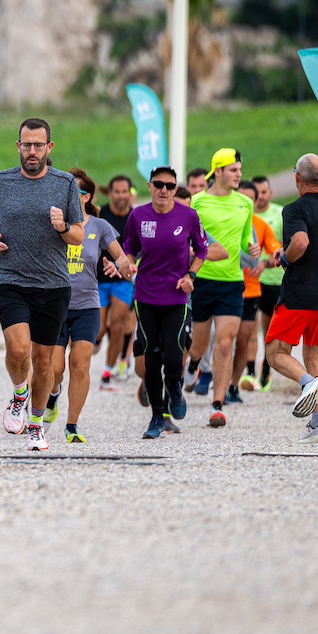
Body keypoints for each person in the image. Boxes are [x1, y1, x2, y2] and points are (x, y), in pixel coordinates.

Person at [0, 117, 85, 453]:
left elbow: (78, 234)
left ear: (49, 147)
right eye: (27, 144)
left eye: (39, 145)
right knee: (19, 350)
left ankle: (36, 425)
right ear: (18, 146)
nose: (32, 151)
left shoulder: (65, 183)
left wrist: (63, 226)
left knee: (45, 360)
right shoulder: (0, 181)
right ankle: (18, 393)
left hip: (53, 284)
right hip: (10, 279)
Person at [115, 165, 216, 439]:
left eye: (170, 186)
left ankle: (174, 385)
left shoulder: (189, 216)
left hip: (175, 296)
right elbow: (130, 249)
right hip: (145, 296)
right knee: (151, 356)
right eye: (158, 184)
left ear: (174, 190)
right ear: (149, 186)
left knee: (173, 356)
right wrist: (128, 265)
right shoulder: (138, 216)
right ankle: (157, 418)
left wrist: (190, 275)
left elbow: (203, 248)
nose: (164, 190)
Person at [262, 154, 318, 443]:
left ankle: (308, 383)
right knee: (314, 356)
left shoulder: (294, 208)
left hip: (299, 295)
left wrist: (284, 257)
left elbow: (301, 242)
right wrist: (285, 252)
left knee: (275, 352)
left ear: (297, 178)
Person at [54, 169, 126, 444]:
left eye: (77, 192)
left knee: (80, 364)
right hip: (56, 304)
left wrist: (117, 266)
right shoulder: (55, 224)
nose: (72, 197)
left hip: (87, 305)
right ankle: (52, 396)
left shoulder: (100, 226)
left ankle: (72, 425)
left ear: (86, 197)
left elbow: (122, 258)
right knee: (55, 369)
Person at [187, 148, 254, 428]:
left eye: (240, 169)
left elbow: (244, 243)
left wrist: (253, 248)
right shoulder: (197, 202)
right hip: (202, 279)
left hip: (231, 281)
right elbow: (188, 239)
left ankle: (217, 405)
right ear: (219, 171)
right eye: (234, 170)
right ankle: (192, 365)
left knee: (225, 343)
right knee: (200, 343)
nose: (239, 174)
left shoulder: (245, 203)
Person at [232, 179, 281, 399]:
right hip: (223, 285)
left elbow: (277, 251)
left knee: (249, 334)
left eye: (249, 199)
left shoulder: (261, 225)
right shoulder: (224, 221)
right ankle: (206, 371)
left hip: (254, 287)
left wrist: (263, 263)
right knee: (221, 337)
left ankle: (250, 375)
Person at [96, 174, 137, 391]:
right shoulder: (100, 215)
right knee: (99, 329)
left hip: (123, 279)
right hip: (99, 279)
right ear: (110, 193)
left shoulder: (136, 217)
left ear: (130, 194)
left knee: (119, 323)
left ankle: (108, 371)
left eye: (125, 192)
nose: (121, 196)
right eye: (117, 192)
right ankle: (96, 341)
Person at [248, 174, 285, 390]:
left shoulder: (280, 214)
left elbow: (283, 248)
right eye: (256, 193)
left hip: (274, 280)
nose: (260, 197)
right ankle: (250, 373)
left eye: (264, 192)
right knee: (249, 326)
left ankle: (266, 369)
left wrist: (268, 262)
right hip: (250, 279)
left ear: (270, 193)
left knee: (268, 327)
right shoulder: (245, 214)